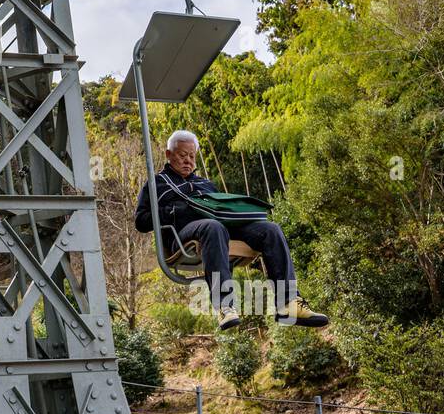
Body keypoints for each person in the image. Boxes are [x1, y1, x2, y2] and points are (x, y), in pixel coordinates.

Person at [134, 129, 328, 332]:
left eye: (192, 156)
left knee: (270, 229)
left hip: (219, 228)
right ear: (168, 154)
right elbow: (141, 221)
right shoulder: (156, 183)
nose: (188, 161)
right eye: (182, 155)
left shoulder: (205, 183)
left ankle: (288, 303)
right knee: (213, 226)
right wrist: (176, 210)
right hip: (182, 235)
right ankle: (225, 305)